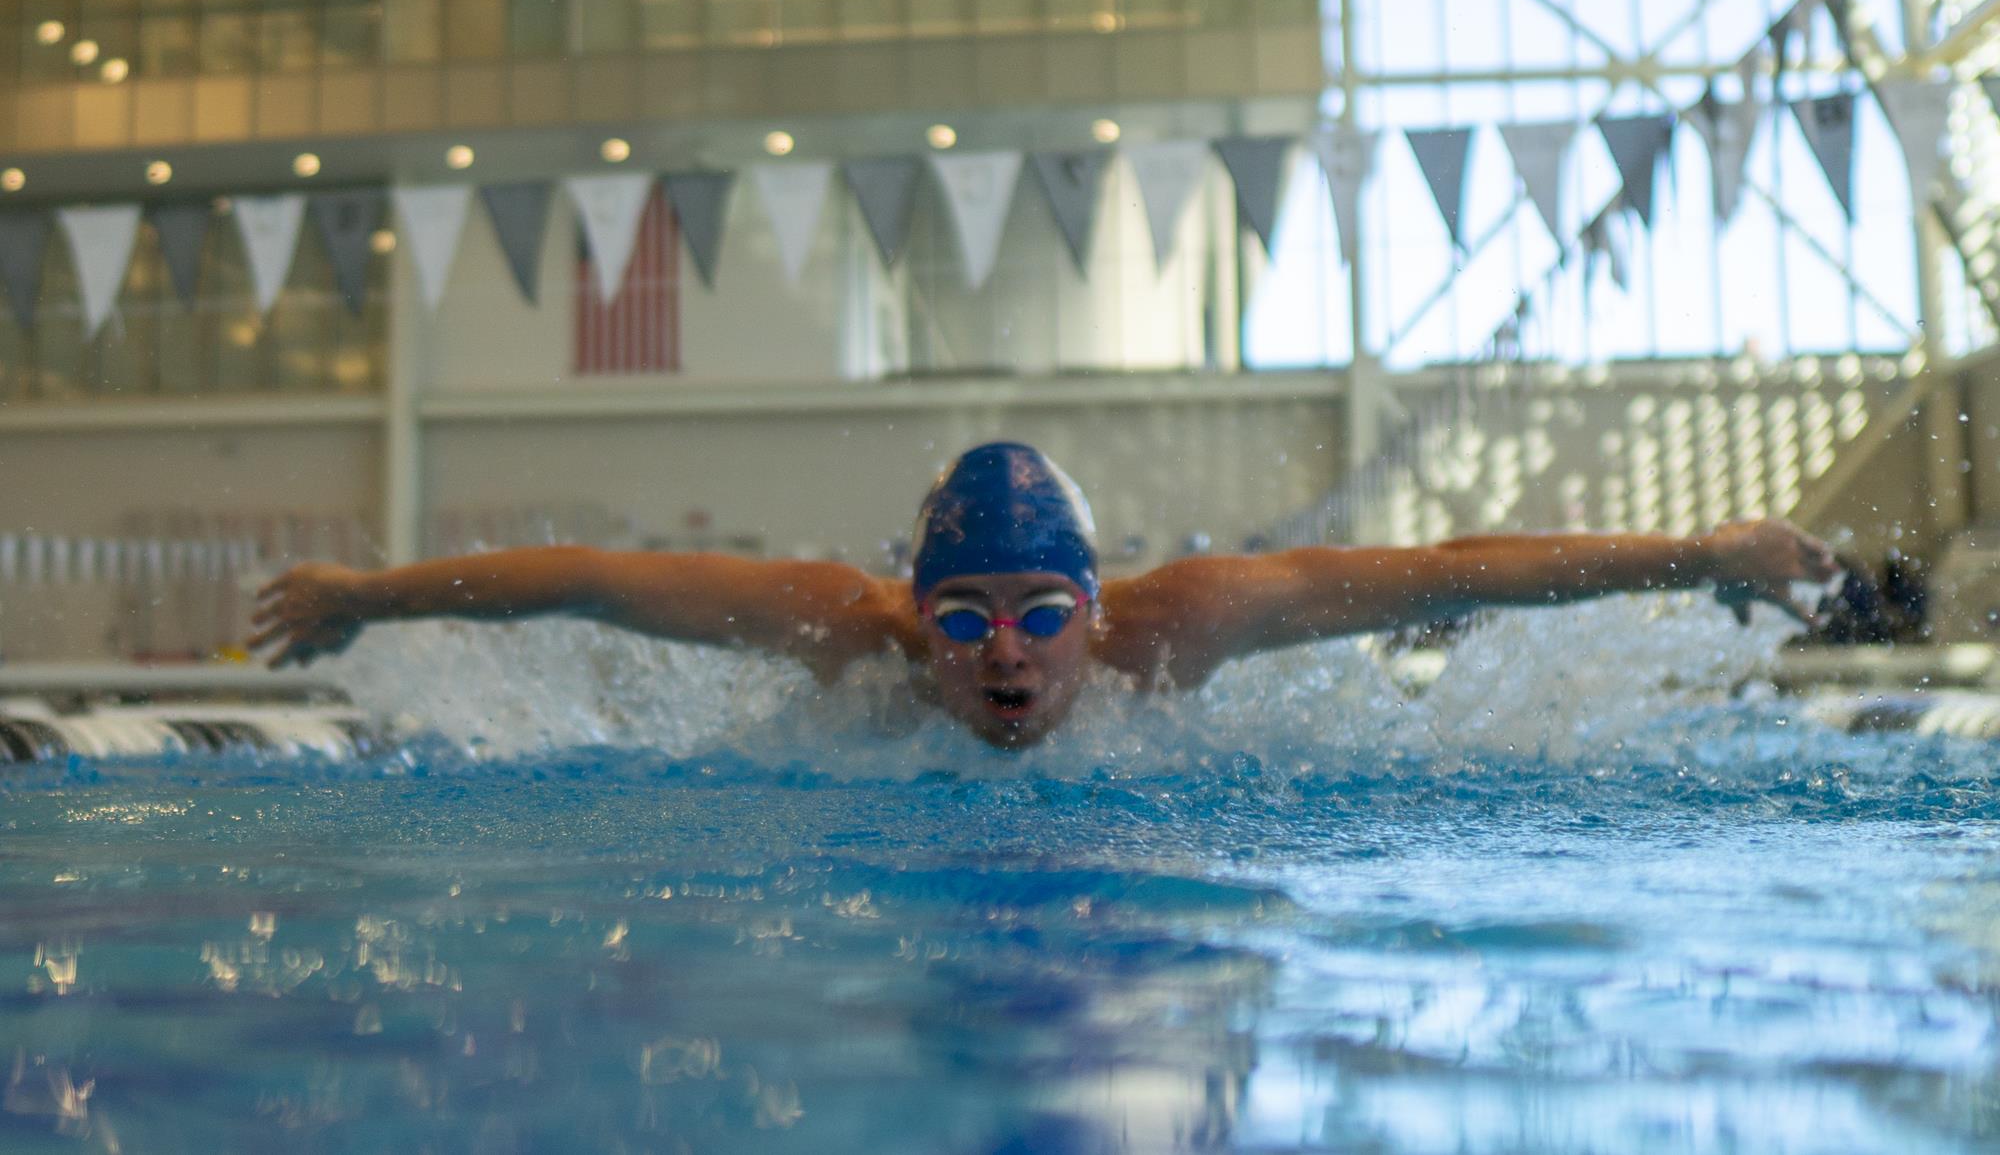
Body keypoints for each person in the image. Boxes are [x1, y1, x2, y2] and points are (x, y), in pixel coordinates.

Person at [251, 442, 1840, 749]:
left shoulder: (1183, 622)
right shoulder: (844, 624)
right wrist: (369, 594)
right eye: (961, 618)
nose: (1002, 653)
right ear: (913, 610)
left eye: (1037, 615)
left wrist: (1701, 553)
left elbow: (1445, 575)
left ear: (1097, 610)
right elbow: (594, 582)